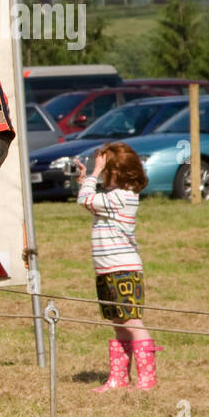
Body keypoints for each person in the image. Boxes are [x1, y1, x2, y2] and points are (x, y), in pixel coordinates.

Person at [74, 143, 158, 390]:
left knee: (132, 322)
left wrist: (93, 175)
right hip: (107, 270)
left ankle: (147, 378)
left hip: (124, 271)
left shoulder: (124, 197)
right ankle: (119, 379)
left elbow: (85, 200)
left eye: (103, 168)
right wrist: (87, 179)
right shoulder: (113, 197)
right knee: (118, 323)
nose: (99, 172)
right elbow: (89, 199)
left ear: (116, 172)